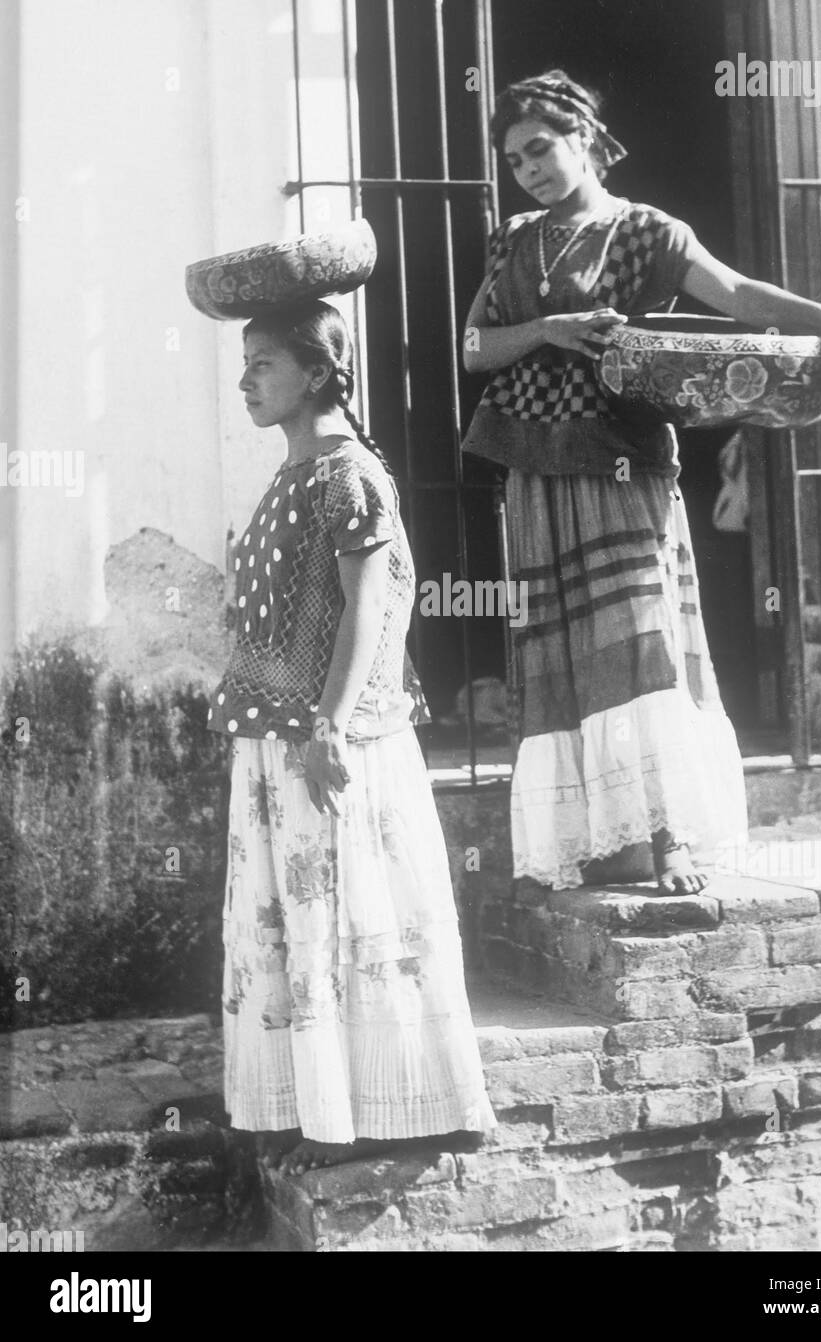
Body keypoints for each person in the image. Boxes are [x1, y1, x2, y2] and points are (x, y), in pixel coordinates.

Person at [462, 70, 821, 896]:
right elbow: (475, 347)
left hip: (621, 458)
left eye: (540, 148)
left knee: (644, 643)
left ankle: (672, 837)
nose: (529, 169)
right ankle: (597, 838)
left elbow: (737, 295)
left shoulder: (647, 232)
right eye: (514, 160)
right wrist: (548, 328)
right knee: (567, 654)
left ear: (585, 140)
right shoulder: (513, 239)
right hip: (535, 468)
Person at [207, 300, 495, 1171]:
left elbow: (372, 609)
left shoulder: (346, 474)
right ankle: (321, 1106)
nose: (247, 377)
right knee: (297, 927)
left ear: (320, 374)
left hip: (330, 745)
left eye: (264, 361)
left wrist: (328, 725)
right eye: (246, 360)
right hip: (277, 739)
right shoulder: (293, 474)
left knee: (351, 921)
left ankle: (384, 1113)